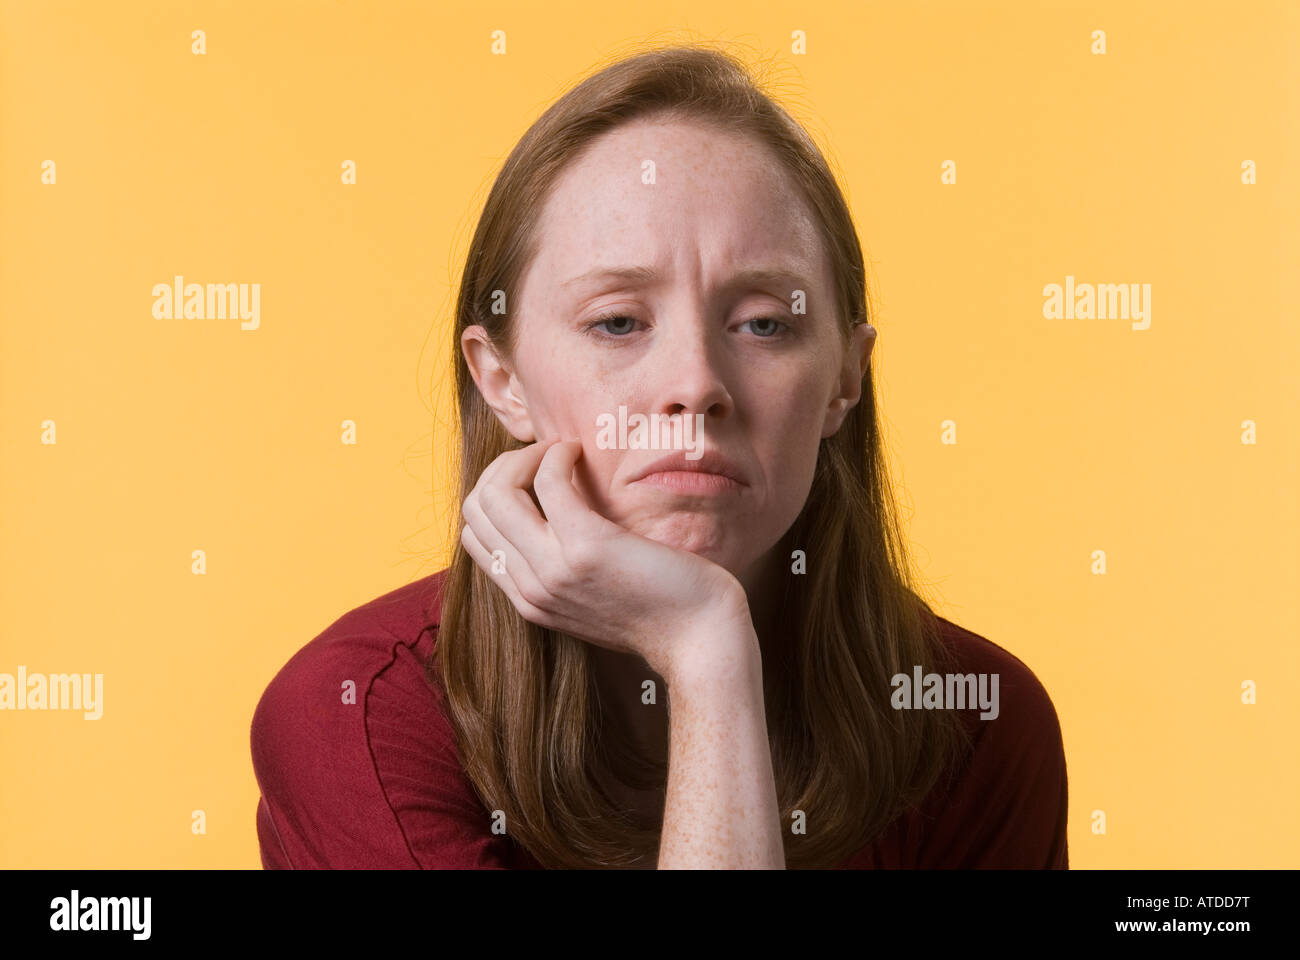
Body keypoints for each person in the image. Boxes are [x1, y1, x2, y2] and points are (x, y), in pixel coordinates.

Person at [251, 43, 1069, 870]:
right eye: (617, 322)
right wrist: (706, 648)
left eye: (763, 323)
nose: (696, 385)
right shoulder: (353, 717)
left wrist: (703, 659)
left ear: (844, 380)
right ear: (501, 379)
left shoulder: (978, 725)